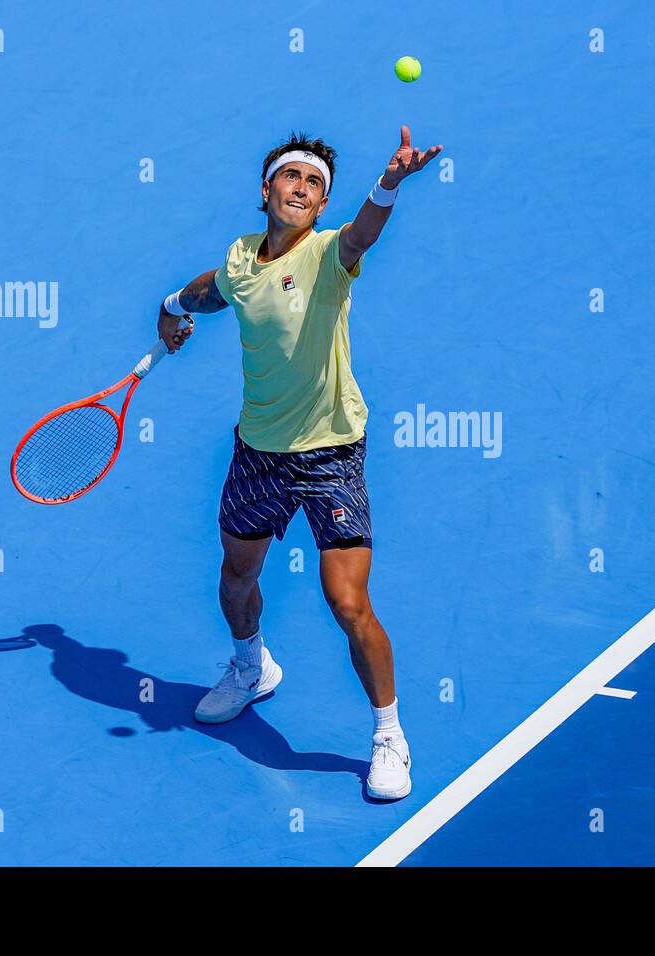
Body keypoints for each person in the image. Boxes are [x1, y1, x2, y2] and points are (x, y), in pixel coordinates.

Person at [156, 126, 442, 800]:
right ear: (267, 189)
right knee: (236, 577)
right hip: (257, 452)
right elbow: (215, 288)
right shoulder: (241, 261)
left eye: (315, 186)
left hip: (331, 454)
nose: (302, 190)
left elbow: (363, 233)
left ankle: (388, 736)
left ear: (319, 205)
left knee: (347, 602)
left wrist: (390, 183)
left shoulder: (327, 256)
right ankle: (252, 668)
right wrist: (170, 307)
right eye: (292, 177)